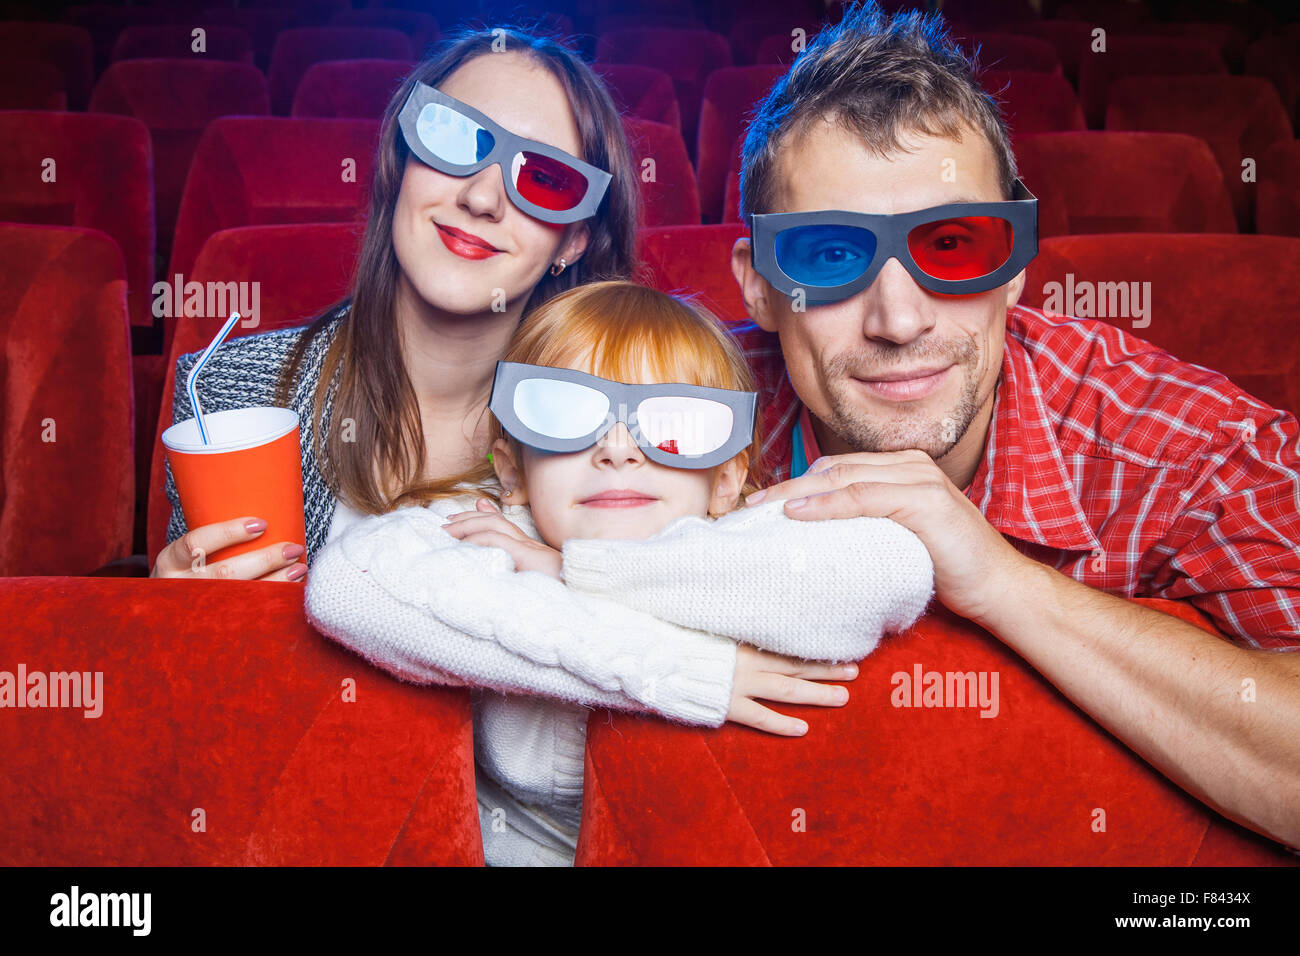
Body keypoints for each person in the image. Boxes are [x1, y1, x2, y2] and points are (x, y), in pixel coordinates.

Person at [151, 24, 850, 735]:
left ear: (572, 240)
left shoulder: (619, 420)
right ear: (400, 160)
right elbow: (204, 714)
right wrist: (163, 624)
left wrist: (579, 577)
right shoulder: (235, 387)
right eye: (455, 140)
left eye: (544, 178)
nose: (484, 198)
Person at [725, 1, 1300, 847]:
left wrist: (1001, 583)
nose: (899, 319)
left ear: (1017, 267)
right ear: (760, 286)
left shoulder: (1178, 443)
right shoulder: (681, 416)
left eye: (954, 246)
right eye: (830, 254)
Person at [305, 280, 936, 865]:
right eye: (565, 418)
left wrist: (576, 572)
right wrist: (678, 672)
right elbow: (350, 583)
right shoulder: (494, 534)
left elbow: (892, 568)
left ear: (726, 479)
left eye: (673, 424)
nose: (617, 448)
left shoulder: (747, 530)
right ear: (513, 472)